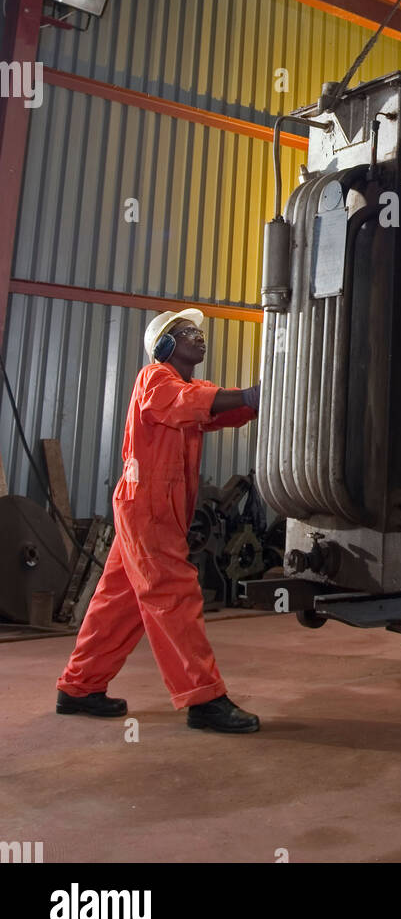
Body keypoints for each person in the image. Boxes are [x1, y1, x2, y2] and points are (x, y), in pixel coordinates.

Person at [56, 308, 262, 734]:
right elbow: (191, 404)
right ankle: (203, 699)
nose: (199, 337)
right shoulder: (155, 379)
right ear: (165, 345)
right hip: (147, 505)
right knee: (173, 592)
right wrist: (245, 397)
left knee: (119, 601)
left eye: (199, 332)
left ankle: (79, 687)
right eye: (187, 332)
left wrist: (258, 398)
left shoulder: (193, 387)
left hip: (154, 508)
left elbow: (217, 407)